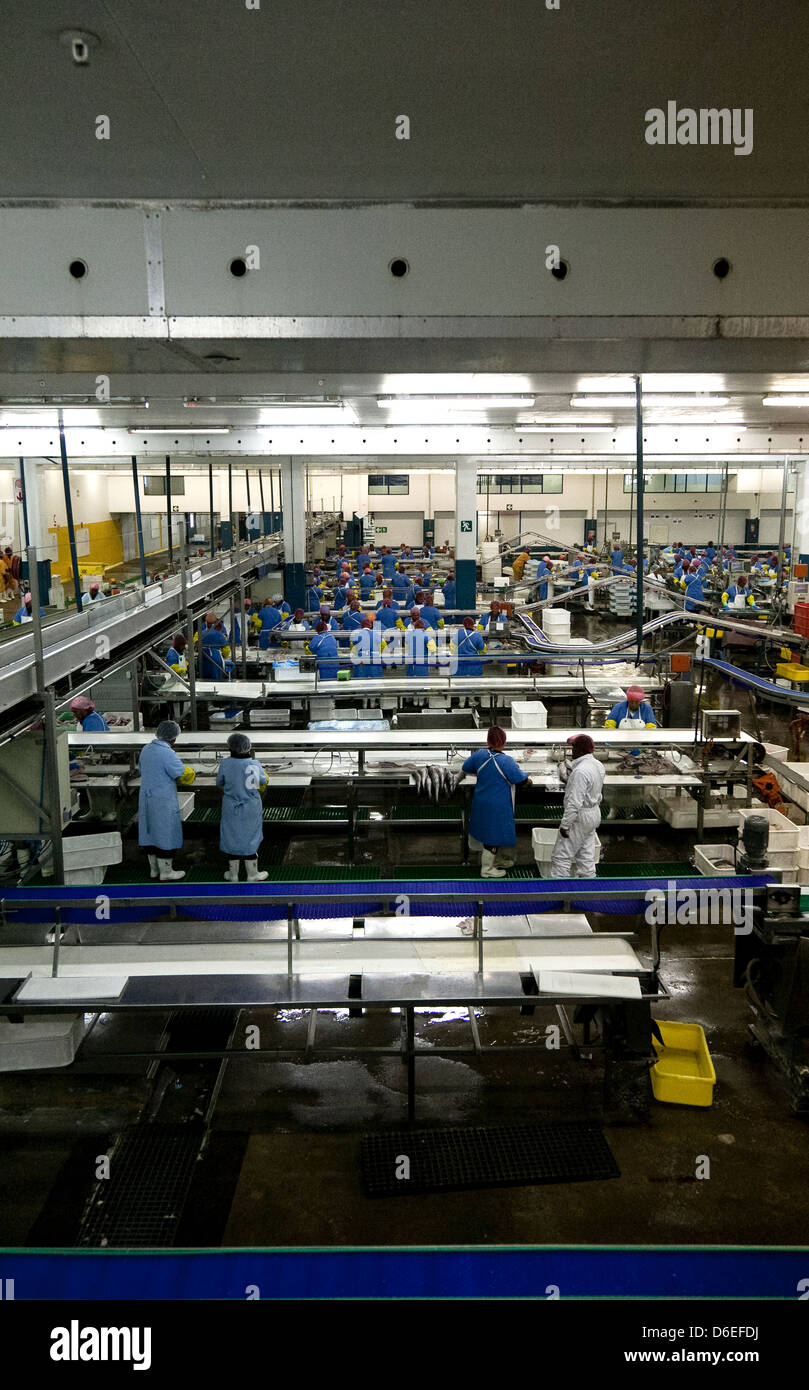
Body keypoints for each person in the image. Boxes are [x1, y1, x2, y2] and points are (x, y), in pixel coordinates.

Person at [462, 726, 532, 878]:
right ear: (504, 742)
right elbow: (521, 779)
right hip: (498, 804)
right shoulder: (506, 761)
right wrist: (529, 780)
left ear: (488, 740)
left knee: (489, 832)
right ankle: (487, 869)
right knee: (493, 835)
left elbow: (466, 767)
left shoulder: (480, 754)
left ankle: (496, 860)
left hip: (481, 801)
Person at [137, 720, 195, 881]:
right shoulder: (167, 753)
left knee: (150, 833)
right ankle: (167, 872)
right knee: (165, 834)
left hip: (146, 798)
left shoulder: (146, 749)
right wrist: (193, 773)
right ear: (174, 739)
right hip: (162, 800)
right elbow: (182, 774)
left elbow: (142, 769)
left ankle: (154, 870)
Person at [549, 734, 605, 879]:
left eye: (573, 748)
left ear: (579, 750)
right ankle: (587, 892)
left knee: (561, 856)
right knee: (586, 856)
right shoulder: (598, 765)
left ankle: (560, 894)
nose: (572, 751)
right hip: (594, 813)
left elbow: (574, 802)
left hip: (580, 816)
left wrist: (565, 825)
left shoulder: (580, 772)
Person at [217, 731, 270, 882]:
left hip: (231, 807)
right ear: (248, 748)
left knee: (231, 837)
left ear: (230, 749)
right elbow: (262, 782)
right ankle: (252, 874)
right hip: (251, 807)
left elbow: (219, 782)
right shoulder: (254, 764)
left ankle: (233, 875)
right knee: (251, 837)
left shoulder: (225, 764)